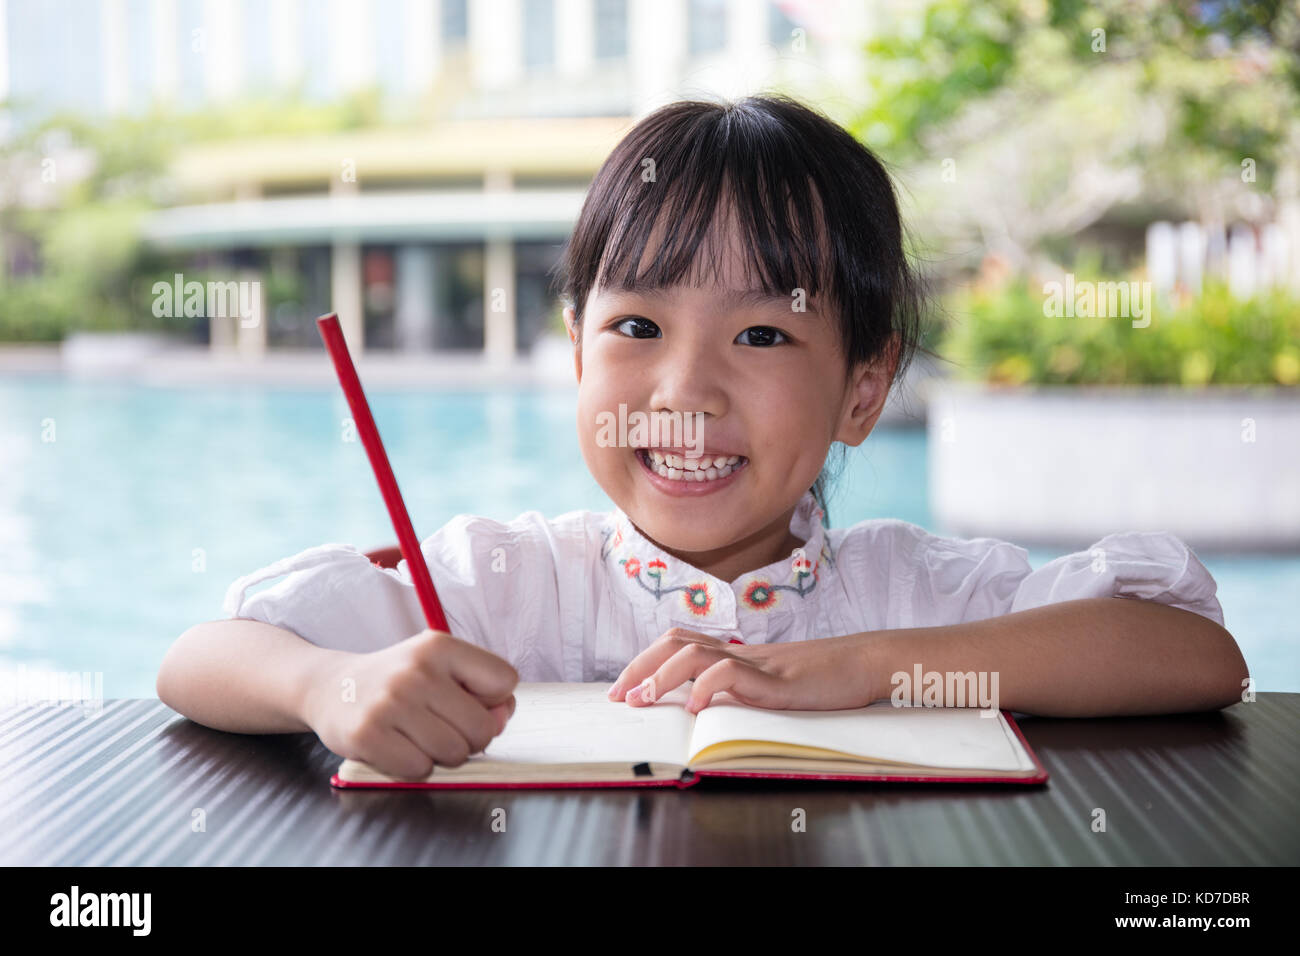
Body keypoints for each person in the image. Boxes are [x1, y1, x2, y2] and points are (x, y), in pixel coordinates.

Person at [156, 94, 1247, 781]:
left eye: (763, 332)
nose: (684, 388)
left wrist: (863, 667)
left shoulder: (912, 591)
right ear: (578, 348)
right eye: (636, 326)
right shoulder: (502, 578)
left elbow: (1193, 652)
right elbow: (203, 655)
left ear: (864, 388)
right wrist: (331, 690)